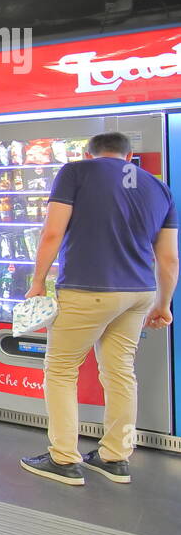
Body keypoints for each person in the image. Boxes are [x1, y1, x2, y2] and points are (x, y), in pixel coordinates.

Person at [22, 132, 179, 485]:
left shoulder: (76, 172)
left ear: (89, 153)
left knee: (61, 370)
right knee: (120, 371)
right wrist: (163, 304)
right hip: (139, 292)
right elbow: (168, 258)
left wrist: (37, 283)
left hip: (86, 289)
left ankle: (63, 459)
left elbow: (52, 233)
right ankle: (115, 457)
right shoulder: (159, 187)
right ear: (129, 155)